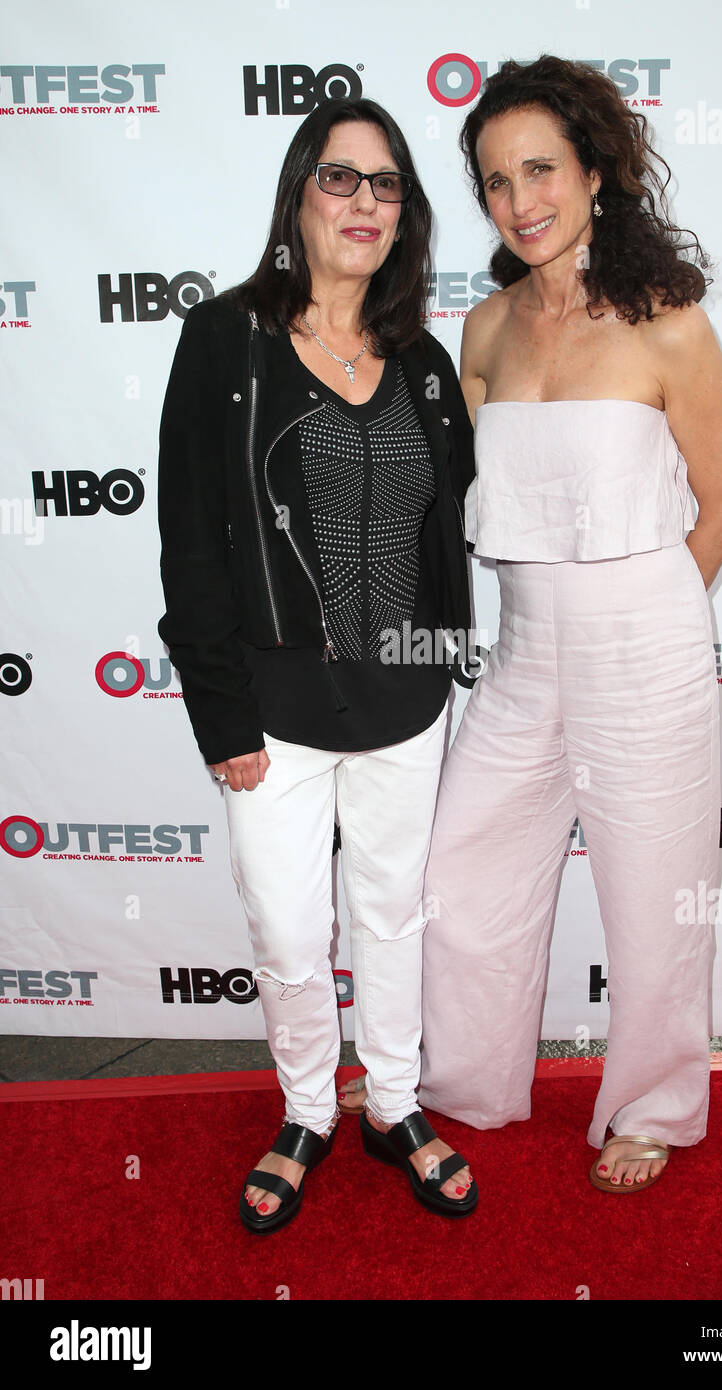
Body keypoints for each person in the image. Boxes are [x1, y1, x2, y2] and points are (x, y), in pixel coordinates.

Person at [413, 55, 722, 1193]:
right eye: (498, 182)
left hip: (644, 646)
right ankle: (461, 1079)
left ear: (595, 172)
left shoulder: (669, 325)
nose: (522, 201)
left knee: (655, 896)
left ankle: (651, 1106)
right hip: (520, 651)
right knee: (458, 868)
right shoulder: (486, 330)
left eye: (541, 169)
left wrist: (646, 615)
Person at [156, 96, 477, 1231]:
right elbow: (190, 538)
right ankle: (306, 1106)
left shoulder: (427, 361)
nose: (364, 202)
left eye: (385, 184)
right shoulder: (223, 340)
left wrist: (446, 665)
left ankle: (390, 1098)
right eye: (340, 178)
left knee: (391, 913)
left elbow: (446, 535)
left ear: (406, 213)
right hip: (272, 706)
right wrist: (221, 717)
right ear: (299, 195)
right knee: (293, 930)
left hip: (407, 695)